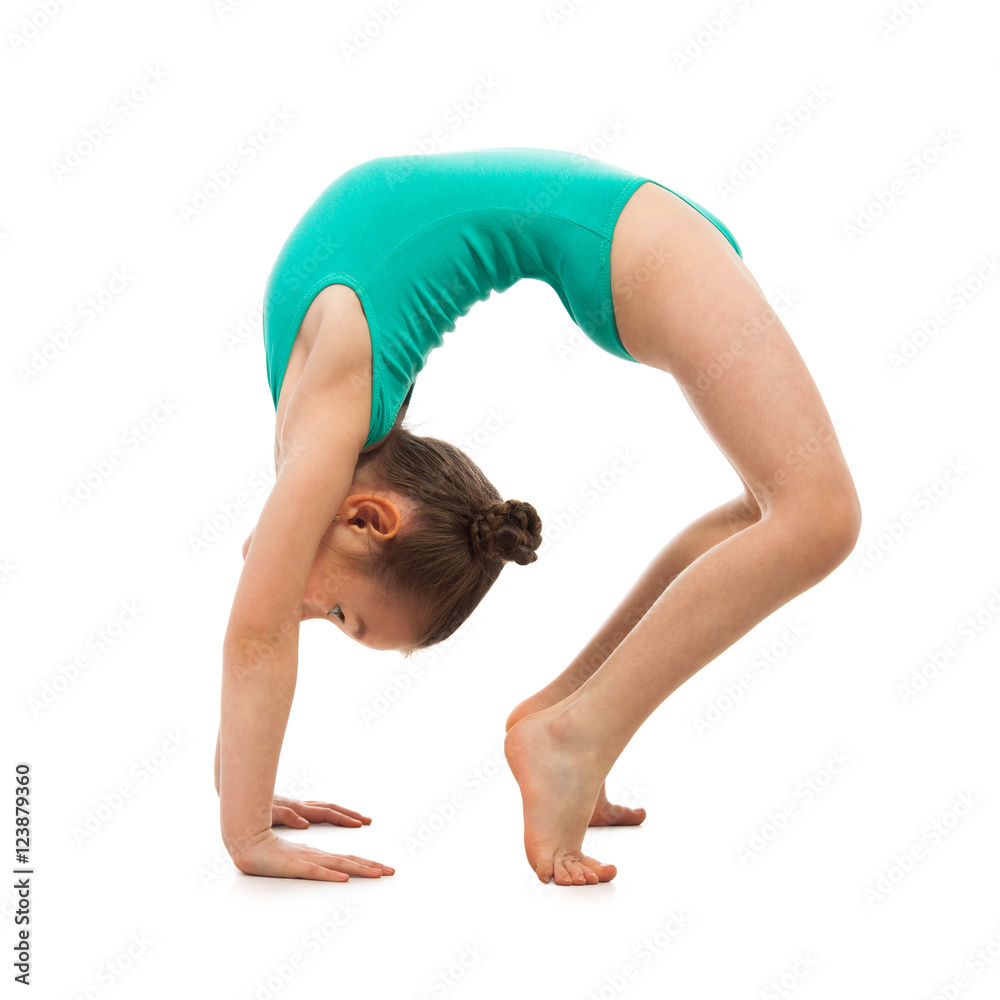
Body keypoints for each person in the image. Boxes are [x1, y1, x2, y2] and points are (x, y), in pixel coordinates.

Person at [215, 147, 862, 887]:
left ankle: (573, 732)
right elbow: (259, 603)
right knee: (778, 511)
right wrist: (244, 787)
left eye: (339, 614)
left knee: (817, 518)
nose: (313, 613)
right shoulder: (320, 438)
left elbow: (256, 632)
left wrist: (246, 830)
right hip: (629, 230)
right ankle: (564, 713)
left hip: (637, 239)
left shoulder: (329, 423)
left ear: (370, 521)